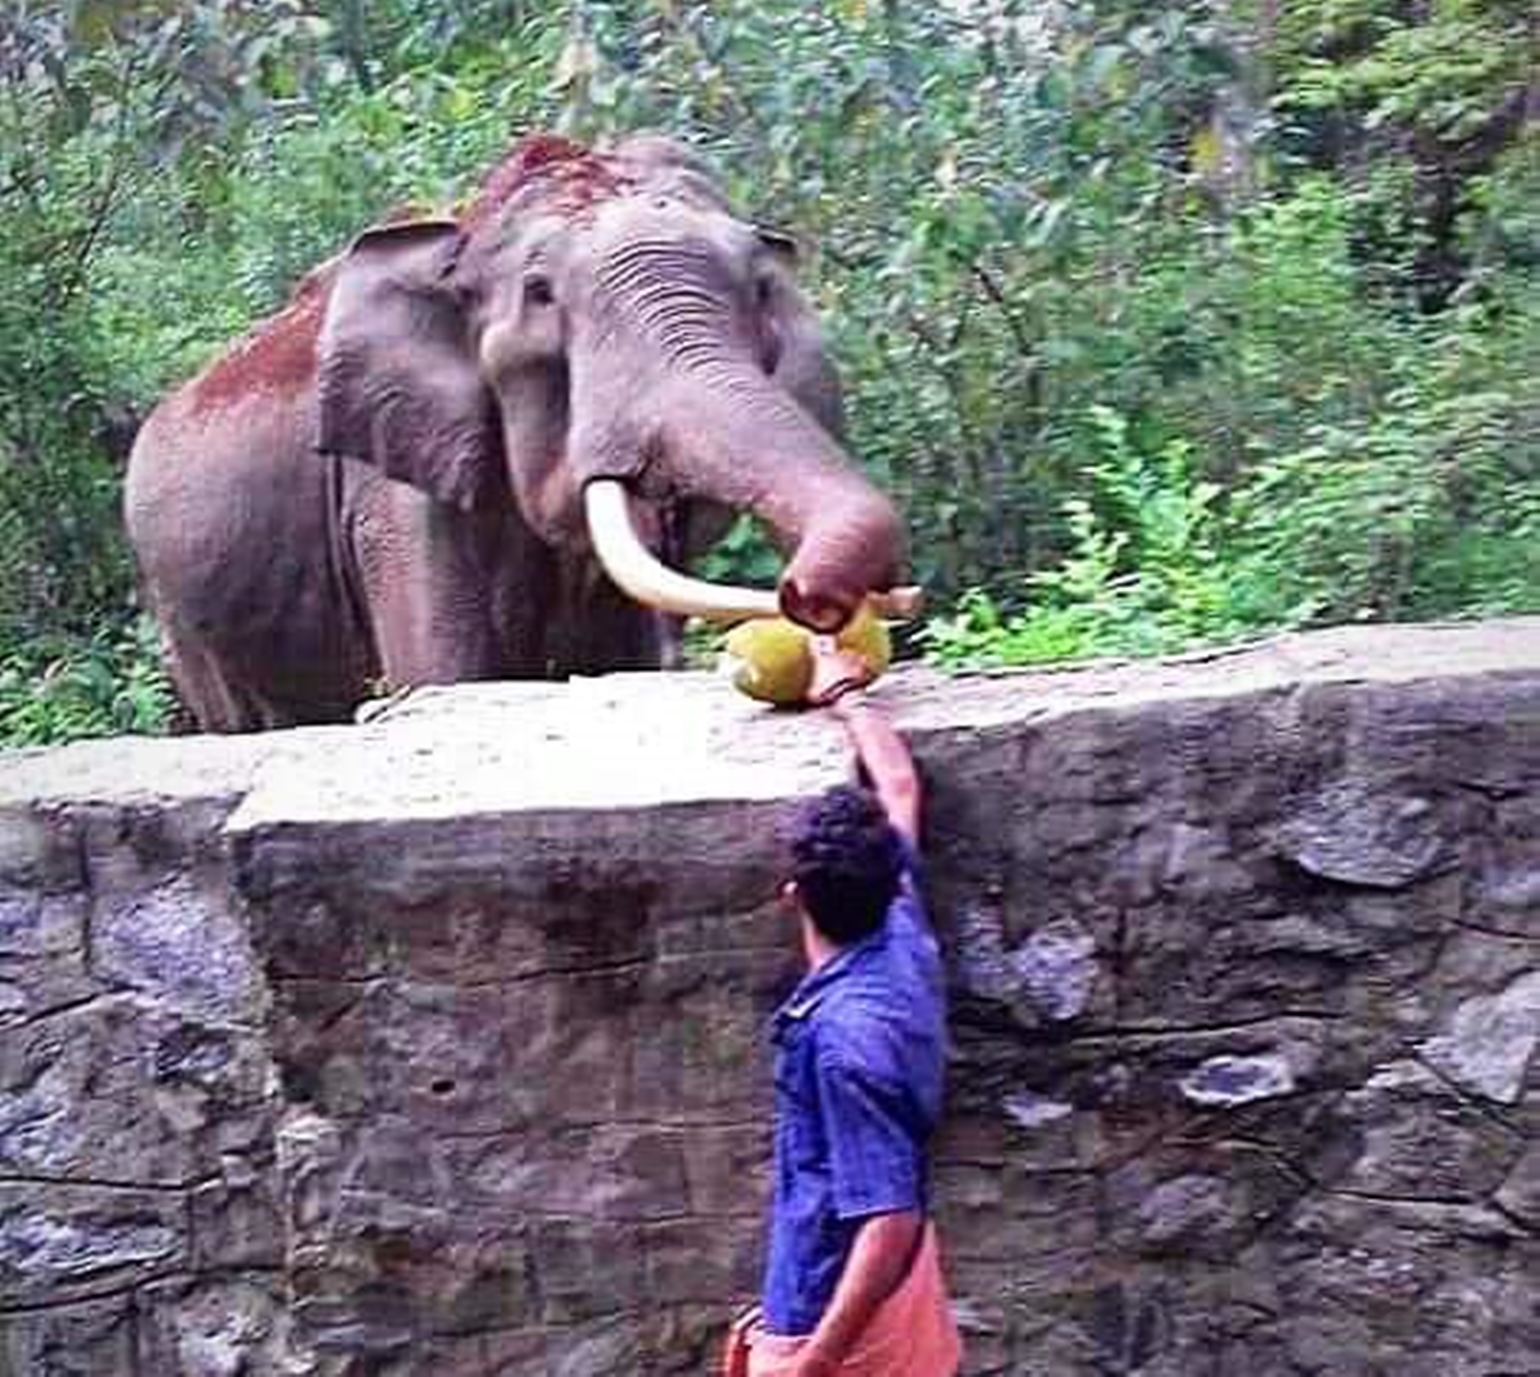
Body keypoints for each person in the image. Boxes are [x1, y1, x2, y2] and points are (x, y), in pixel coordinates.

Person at [723, 642, 962, 1377]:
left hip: (834, 1317)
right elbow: (897, 785)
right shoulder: (900, 925)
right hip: (902, 1295)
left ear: (793, 897)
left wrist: (813, 1361)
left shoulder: (843, 1040)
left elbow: (888, 1216)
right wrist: (847, 692)